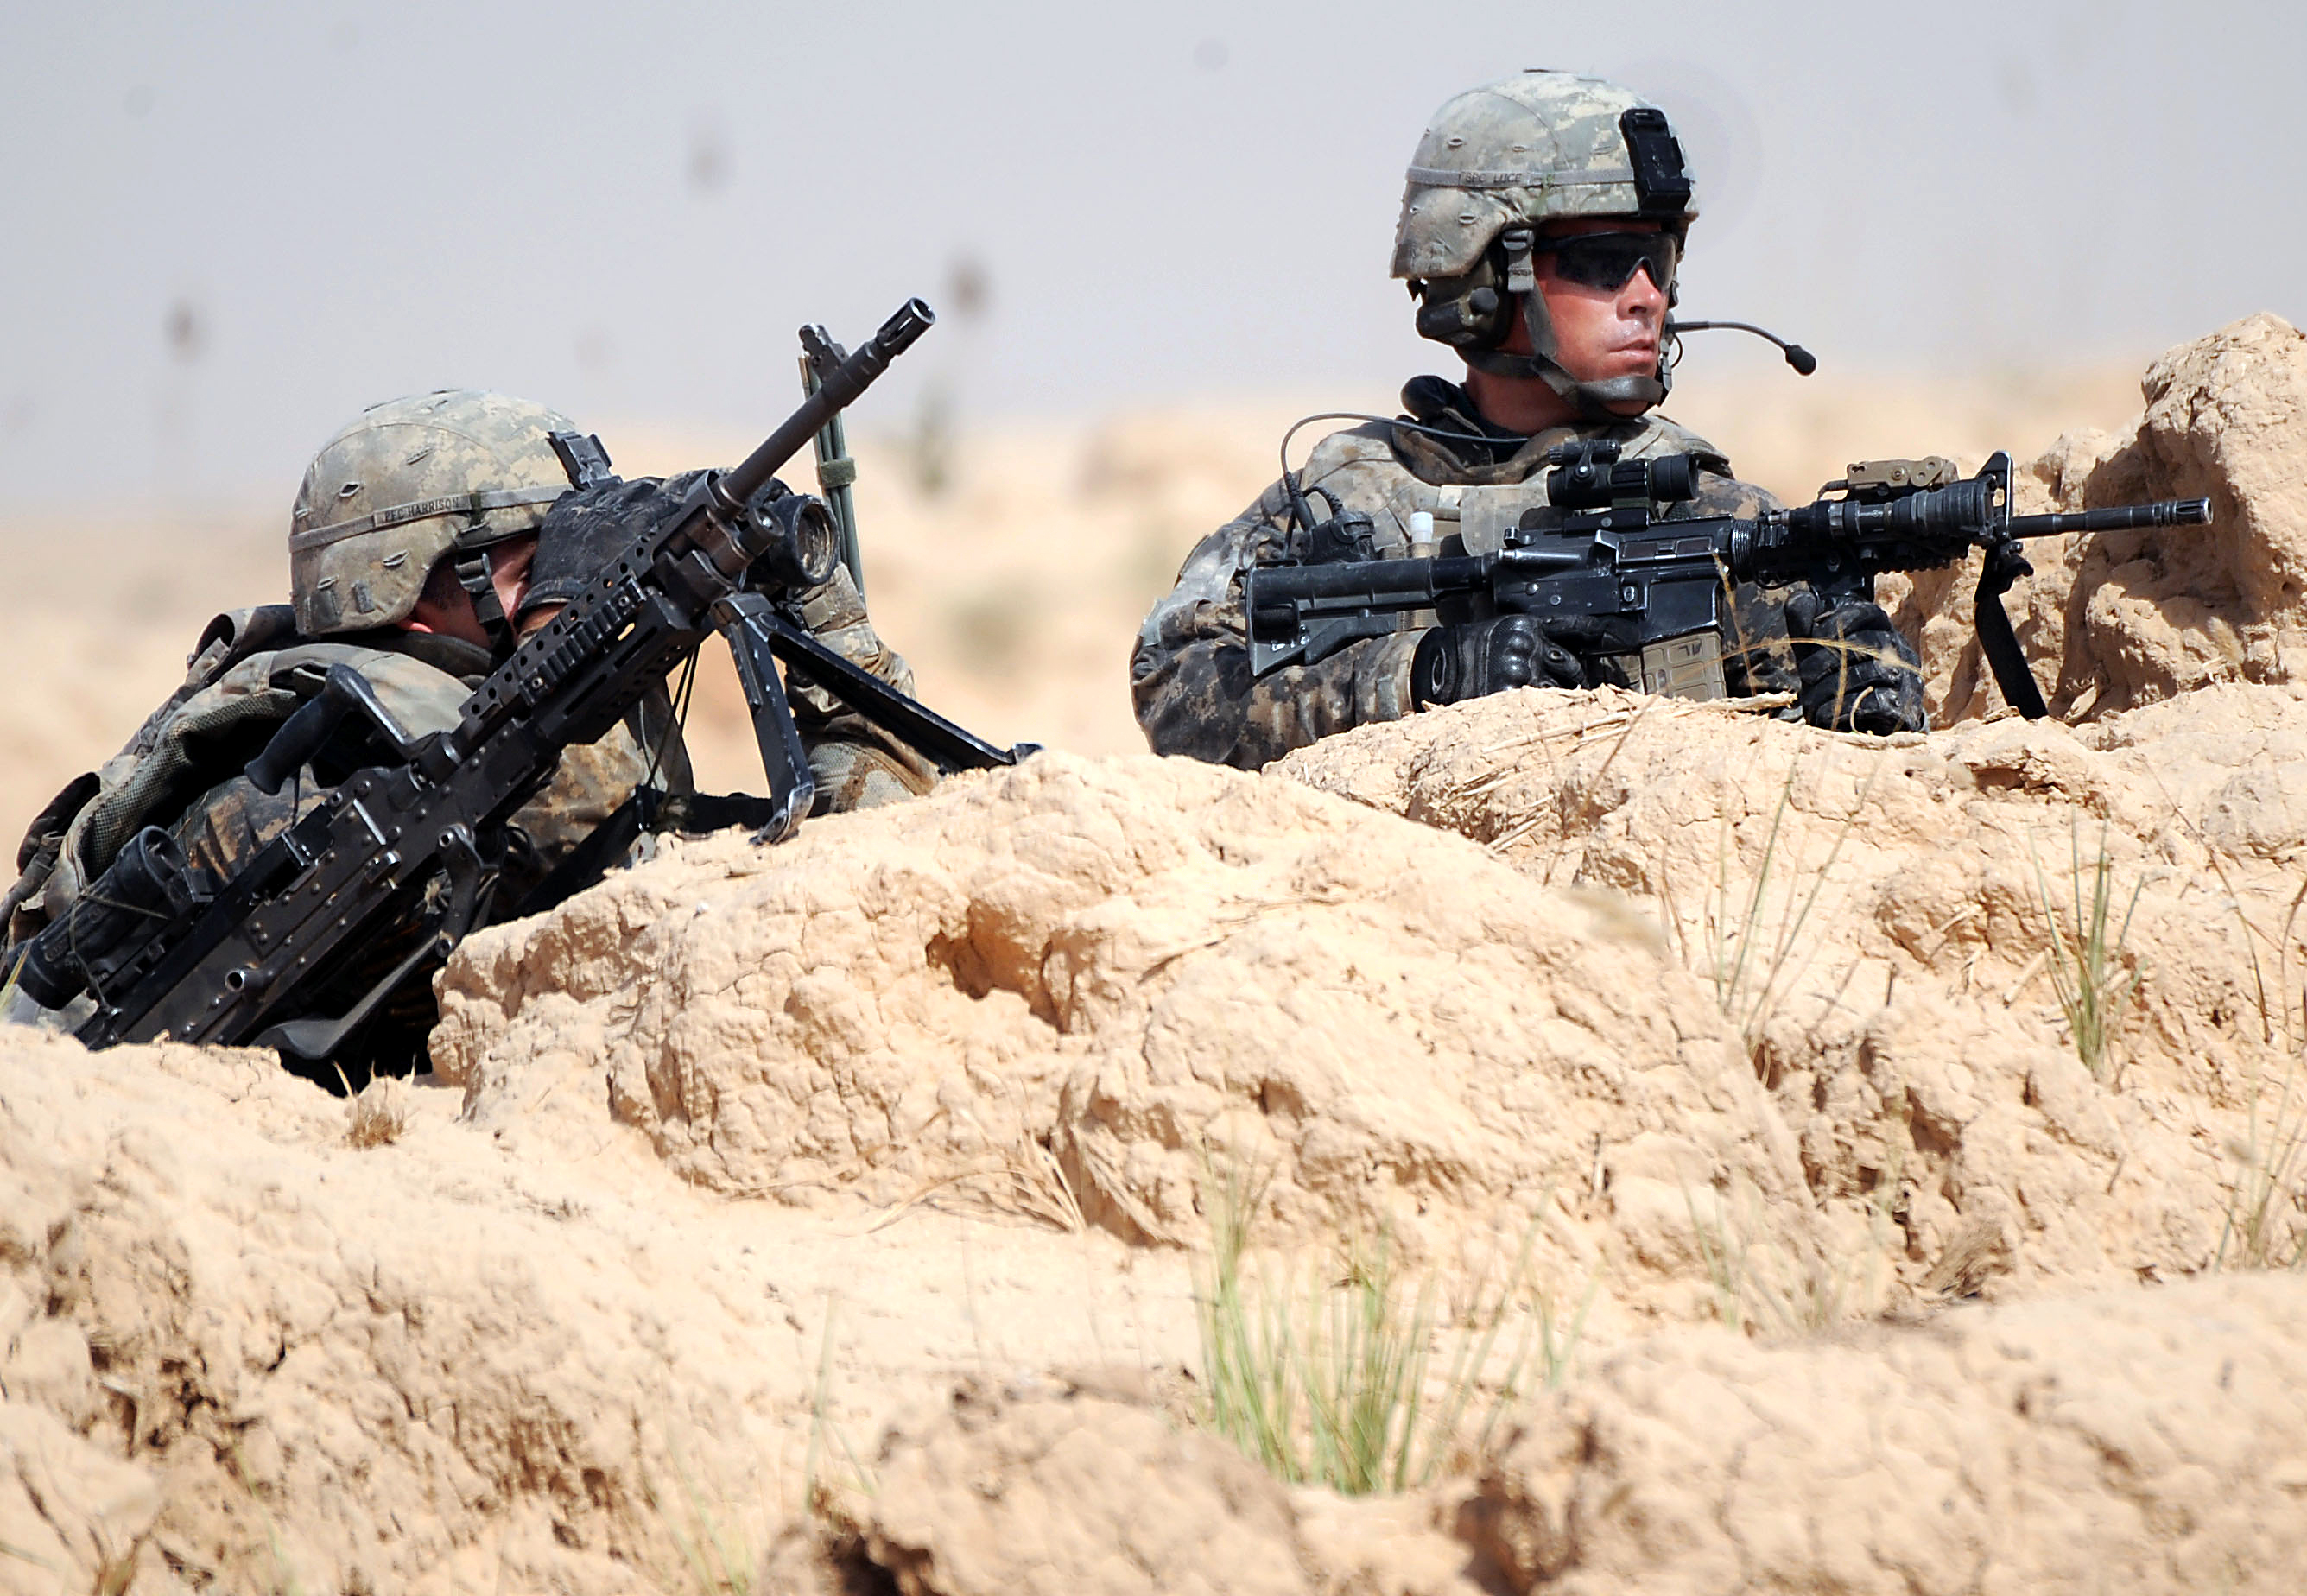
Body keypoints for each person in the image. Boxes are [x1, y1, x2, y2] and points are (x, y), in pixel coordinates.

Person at [1, 390, 930, 1084]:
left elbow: (864, 851)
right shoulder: (329, 778)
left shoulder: (521, 738)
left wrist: (811, 605)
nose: (583, 575)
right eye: (548, 554)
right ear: (413, 581)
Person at [1131, 70, 1926, 769]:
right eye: (1607, 260)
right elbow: (1173, 686)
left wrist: (1859, 702)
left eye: (1661, 259)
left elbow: (1860, 777)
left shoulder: (1714, 517)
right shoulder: (1338, 498)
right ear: (1479, 274)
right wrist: (1420, 675)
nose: (1649, 295)